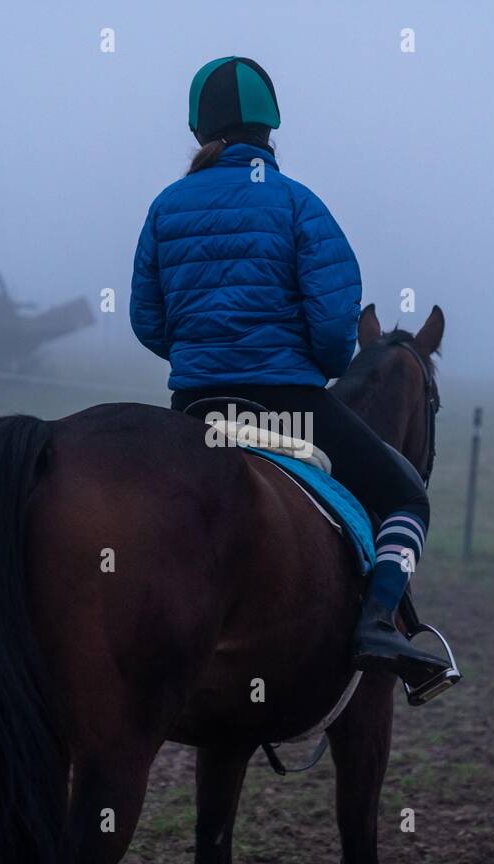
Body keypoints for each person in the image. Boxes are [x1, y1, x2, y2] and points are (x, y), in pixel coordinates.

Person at [130, 56, 447, 687]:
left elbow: (147, 319)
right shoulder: (300, 206)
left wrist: (200, 357)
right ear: (272, 128)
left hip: (195, 409)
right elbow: (335, 329)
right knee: (407, 495)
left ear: (199, 129)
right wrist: (315, 367)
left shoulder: (166, 207)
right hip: (290, 406)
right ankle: (379, 623)